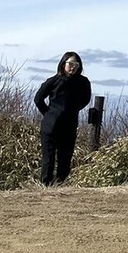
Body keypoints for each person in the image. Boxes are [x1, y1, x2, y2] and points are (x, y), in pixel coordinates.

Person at [34, 52, 92, 186]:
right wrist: (48, 114)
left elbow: (85, 99)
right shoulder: (53, 81)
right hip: (50, 126)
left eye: (76, 65)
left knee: (65, 159)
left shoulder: (83, 82)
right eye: (70, 64)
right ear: (63, 64)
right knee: (48, 159)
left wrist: (73, 110)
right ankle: (45, 187)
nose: (73, 67)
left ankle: (61, 186)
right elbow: (38, 99)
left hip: (69, 126)